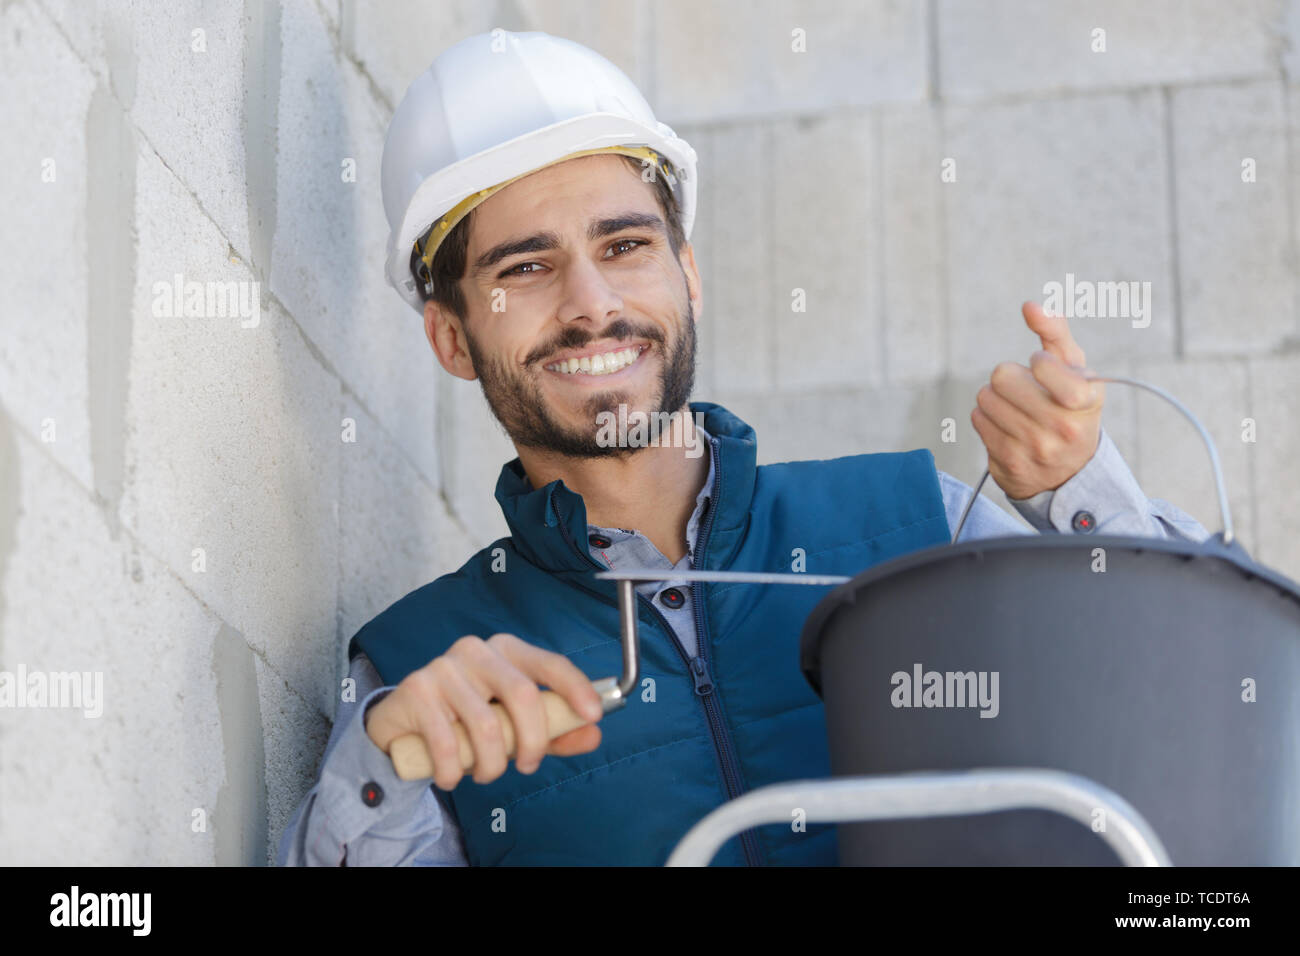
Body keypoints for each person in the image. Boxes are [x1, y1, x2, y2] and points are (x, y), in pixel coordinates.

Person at [277, 30, 1206, 867]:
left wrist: (1080, 497)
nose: (592, 302)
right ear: (450, 338)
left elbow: (1211, 717)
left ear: (688, 275)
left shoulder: (923, 523)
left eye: (626, 244)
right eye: (526, 266)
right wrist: (385, 762)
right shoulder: (421, 669)